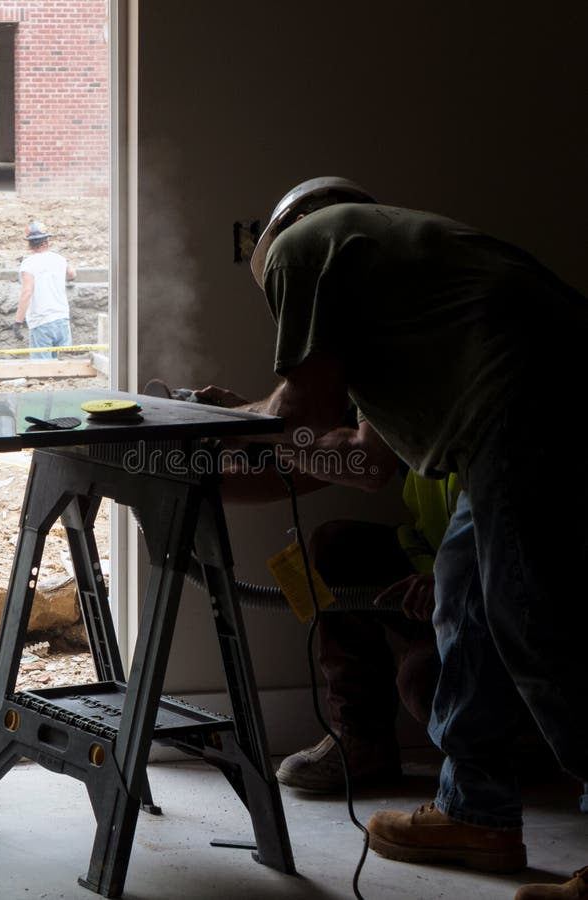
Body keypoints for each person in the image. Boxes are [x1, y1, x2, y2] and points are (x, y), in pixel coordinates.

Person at [196, 177, 588, 897]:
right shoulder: (401, 298)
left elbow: (299, 406)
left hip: (535, 410)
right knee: (466, 610)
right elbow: (364, 462)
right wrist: (243, 431)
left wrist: (231, 421)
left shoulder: (301, 246)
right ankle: (476, 814)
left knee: (536, 630)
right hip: (504, 426)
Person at [274, 467, 456, 793]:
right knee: (337, 546)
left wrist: (454, 576)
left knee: (427, 684)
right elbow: (359, 460)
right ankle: (363, 743)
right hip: (432, 568)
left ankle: (510, 742)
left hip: (489, 591)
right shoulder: (413, 427)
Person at [14, 221, 76, 359]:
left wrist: (18, 322)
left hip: (41, 322)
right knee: (65, 368)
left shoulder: (28, 264)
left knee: (42, 370)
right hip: (62, 320)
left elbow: (27, 292)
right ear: (47, 242)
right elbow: (72, 274)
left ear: (29, 244)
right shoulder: (59, 259)